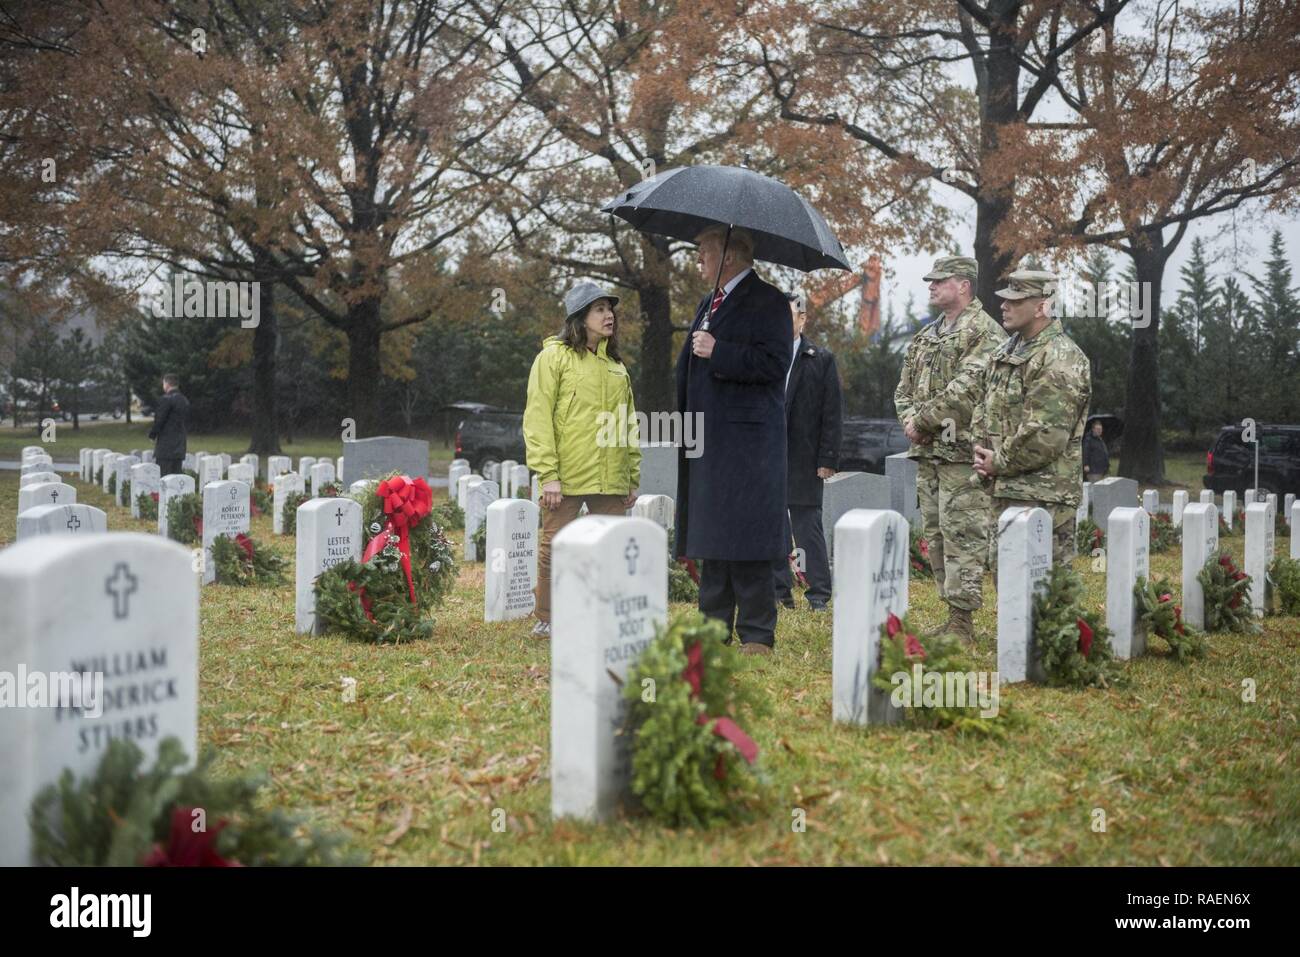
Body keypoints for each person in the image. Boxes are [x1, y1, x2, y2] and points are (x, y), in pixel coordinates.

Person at [675, 225, 791, 656]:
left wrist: (718, 350)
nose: (699, 259)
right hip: (708, 439)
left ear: (728, 254)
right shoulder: (710, 302)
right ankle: (713, 628)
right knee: (714, 536)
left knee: (747, 537)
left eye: (703, 250)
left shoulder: (769, 301)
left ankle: (757, 634)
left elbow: (776, 362)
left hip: (748, 444)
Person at [894, 255, 1006, 641]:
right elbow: (902, 388)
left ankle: (963, 621)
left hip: (962, 454)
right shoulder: (927, 336)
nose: (931, 285)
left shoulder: (985, 332)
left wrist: (921, 422)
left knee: (964, 534)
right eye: (930, 280)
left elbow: (967, 388)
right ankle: (952, 615)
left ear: (964, 285)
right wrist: (911, 422)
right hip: (929, 455)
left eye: (940, 280)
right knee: (938, 534)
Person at [523, 281, 640, 639]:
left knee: (614, 550)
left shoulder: (616, 367)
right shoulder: (552, 358)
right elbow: (538, 416)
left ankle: (607, 617)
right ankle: (548, 618)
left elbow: (627, 423)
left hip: (611, 477)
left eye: (610, 309)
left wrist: (632, 475)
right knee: (554, 548)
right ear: (580, 317)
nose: (609, 316)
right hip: (567, 477)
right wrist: (548, 474)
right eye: (600, 309)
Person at [970, 269, 1092, 567]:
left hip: (1044, 496)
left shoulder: (1060, 357)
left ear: (1042, 307)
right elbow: (983, 407)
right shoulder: (1006, 351)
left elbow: (1045, 434)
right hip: (1008, 489)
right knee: (1010, 593)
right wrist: (980, 451)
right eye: (1005, 299)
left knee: (1046, 600)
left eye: (1016, 299)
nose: (1004, 305)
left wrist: (996, 461)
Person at [772, 292, 842, 611]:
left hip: (804, 457)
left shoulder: (820, 358)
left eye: (789, 316)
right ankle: (779, 591)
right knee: (773, 526)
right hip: (768, 456)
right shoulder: (766, 356)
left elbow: (832, 413)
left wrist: (827, 459)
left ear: (803, 319)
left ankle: (819, 593)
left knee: (807, 526)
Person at [149, 373, 190, 476]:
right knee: (176, 475)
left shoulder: (166, 399)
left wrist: (152, 434)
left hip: (166, 445)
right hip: (180, 443)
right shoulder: (184, 400)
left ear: (167, 384)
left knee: (164, 475)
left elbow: (159, 420)